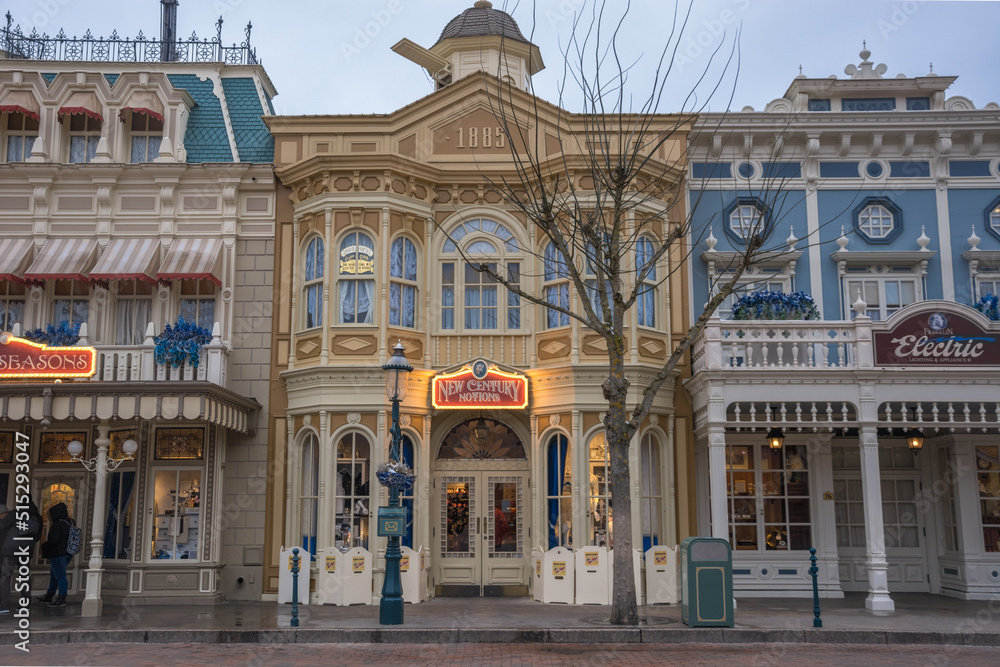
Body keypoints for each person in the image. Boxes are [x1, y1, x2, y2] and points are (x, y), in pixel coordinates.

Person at [36, 502, 72, 608]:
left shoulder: (58, 524)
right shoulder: (70, 522)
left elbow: (53, 540)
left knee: (59, 577)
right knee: (55, 576)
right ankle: (50, 595)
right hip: (68, 553)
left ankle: (61, 598)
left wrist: (44, 546)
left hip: (58, 553)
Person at [0, 504, 15, 614]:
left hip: (5, 556)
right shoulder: (13, 524)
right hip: (11, 556)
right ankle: (4, 605)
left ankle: (4, 605)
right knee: (5, 579)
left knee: (4, 579)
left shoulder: (3, 526)